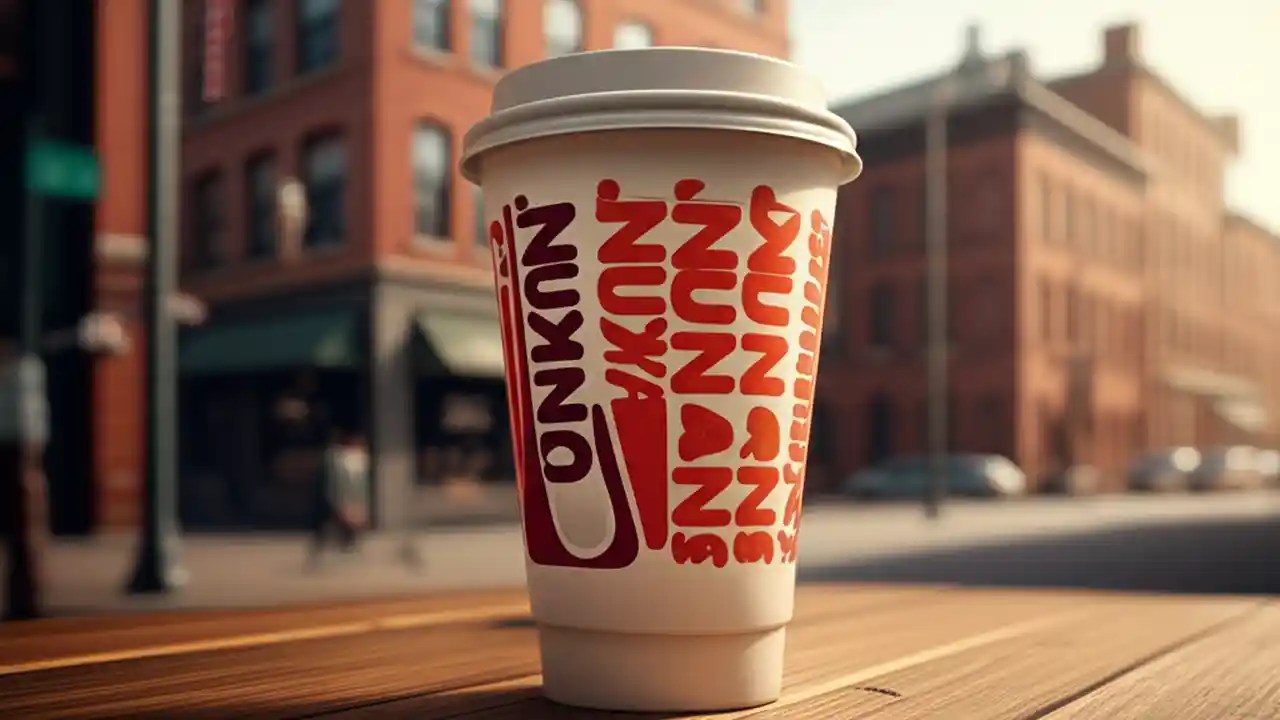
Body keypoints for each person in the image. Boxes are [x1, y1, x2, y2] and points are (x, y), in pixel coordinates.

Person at [307, 428, 370, 569]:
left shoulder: (358, 460)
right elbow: (337, 484)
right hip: (337, 500)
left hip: (351, 501)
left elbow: (361, 486)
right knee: (327, 526)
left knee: (347, 526)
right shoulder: (338, 460)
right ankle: (320, 553)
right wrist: (338, 502)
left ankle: (346, 548)